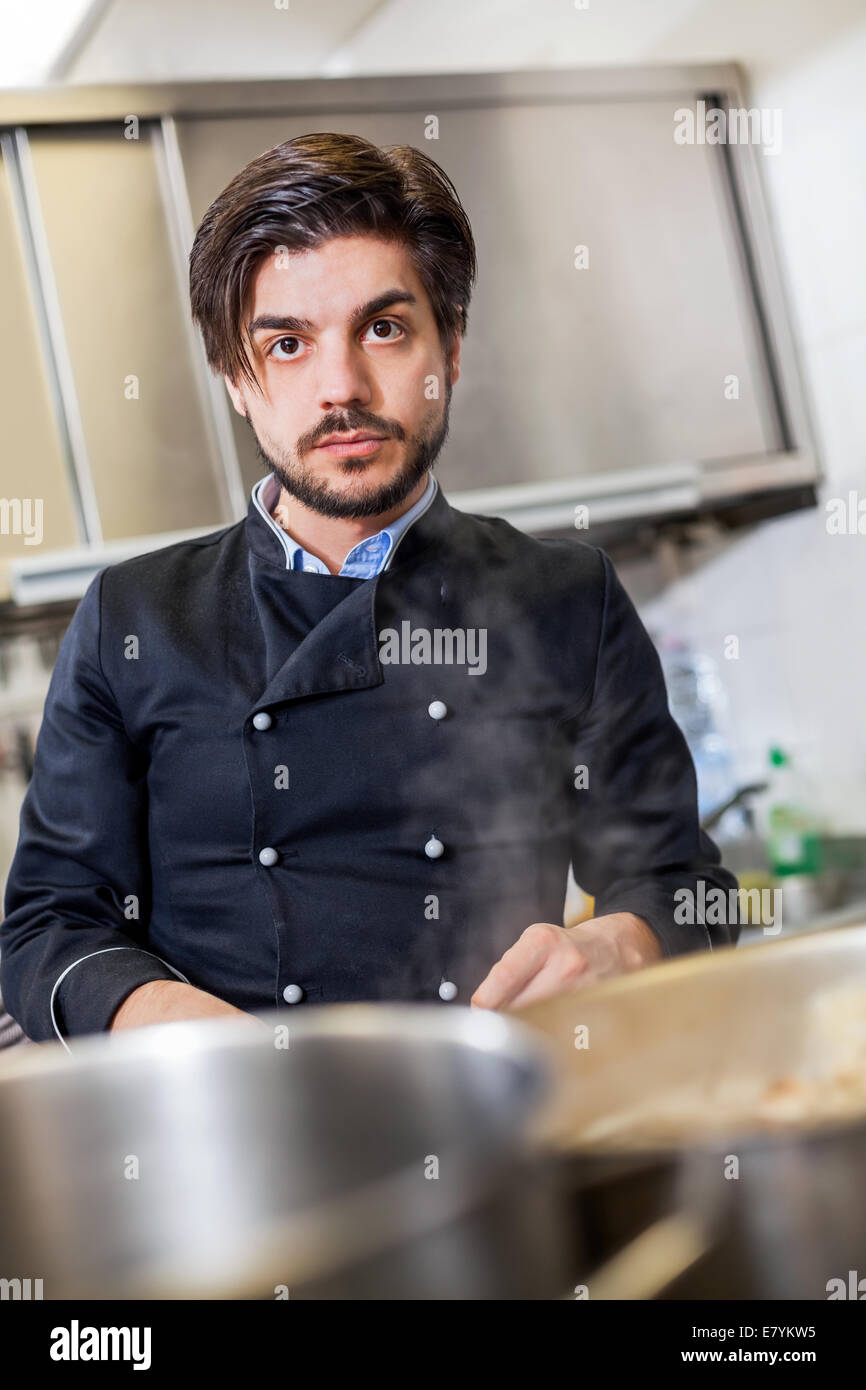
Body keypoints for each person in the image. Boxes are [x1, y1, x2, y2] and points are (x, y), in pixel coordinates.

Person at [0, 132, 739, 1043]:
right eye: (287, 345)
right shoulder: (134, 618)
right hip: (235, 1142)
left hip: (498, 1118)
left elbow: (686, 888)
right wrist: (195, 1036)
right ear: (237, 379)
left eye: (383, 328)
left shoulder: (565, 600)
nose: (339, 387)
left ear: (452, 346)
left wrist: (623, 946)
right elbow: (48, 927)